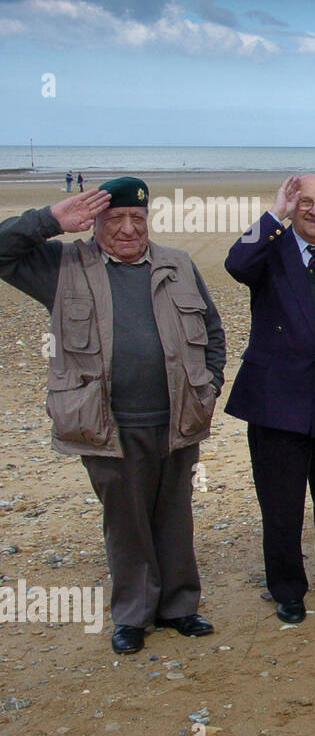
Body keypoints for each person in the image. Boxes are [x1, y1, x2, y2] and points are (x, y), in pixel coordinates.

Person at [0, 179, 225, 654]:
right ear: (94, 222)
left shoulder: (177, 264)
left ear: (148, 221)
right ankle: (133, 615)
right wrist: (50, 221)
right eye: (115, 219)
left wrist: (210, 387)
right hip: (104, 423)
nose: (127, 230)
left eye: (136, 219)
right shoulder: (63, 265)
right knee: (125, 522)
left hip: (176, 419)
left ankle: (180, 607)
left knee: (174, 516)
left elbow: (212, 329)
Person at [225, 175, 315, 624]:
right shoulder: (270, 253)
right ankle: (287, 589)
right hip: (276, 401)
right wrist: (274, 213)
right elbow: (236, 261)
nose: (313, 210)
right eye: (303, 202)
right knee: (282, 505)